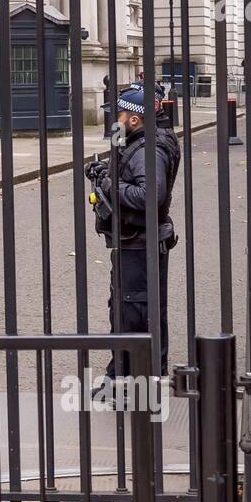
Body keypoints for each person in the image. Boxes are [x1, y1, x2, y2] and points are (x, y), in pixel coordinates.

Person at [86, 85, 180, 378]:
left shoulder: (149, 148)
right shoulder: (138, 141)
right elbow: (124, 165)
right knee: (134, 309)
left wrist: (110, 185)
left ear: (136, 119)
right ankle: (131, 374)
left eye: (120, 114)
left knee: (134, 313)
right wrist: (104, 172)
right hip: (134, 241)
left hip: (139, 243)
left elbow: (148, 195)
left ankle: (132, 380)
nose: (115, 120)